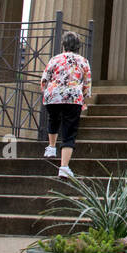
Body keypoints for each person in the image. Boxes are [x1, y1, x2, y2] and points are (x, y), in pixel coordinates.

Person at [39, 31, 91, 179]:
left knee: (53, 119)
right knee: (69, 131)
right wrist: (84, 99)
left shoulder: (55, 59)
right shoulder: (83, 61)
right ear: (78, 46)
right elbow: (87, 83)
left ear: (63, 45)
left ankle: (51, 147)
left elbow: (45, 78)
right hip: (72, 98)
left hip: (53, 96)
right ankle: (64, 167)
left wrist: (47, 91)